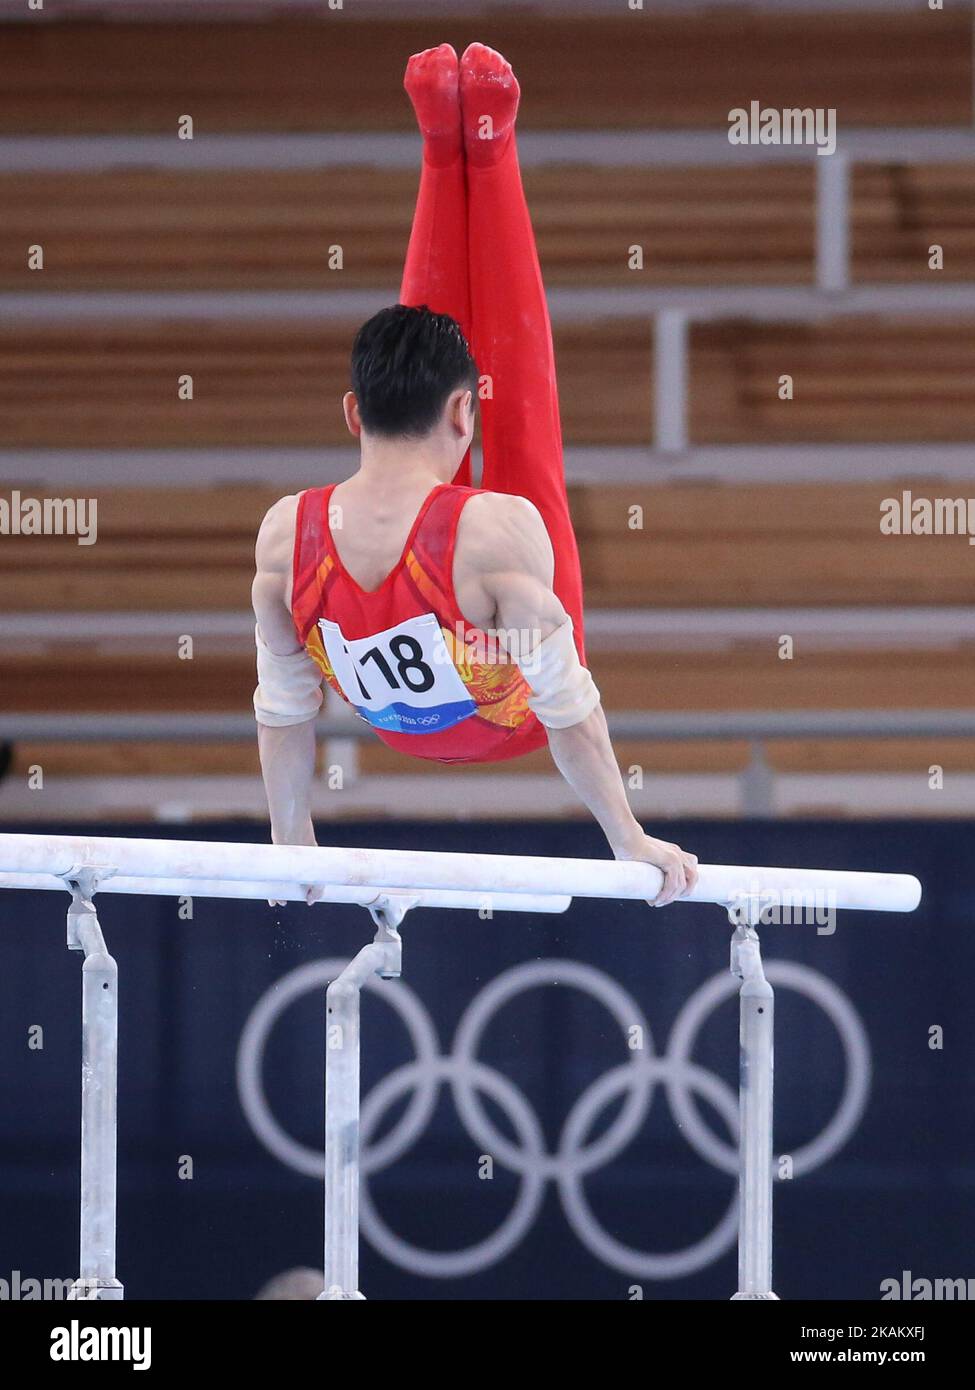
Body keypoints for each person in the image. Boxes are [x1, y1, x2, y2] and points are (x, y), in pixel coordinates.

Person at [252, 43, 698, 907]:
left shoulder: (284, 535)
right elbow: (566, 712)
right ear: (463, 416)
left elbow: (284, 705)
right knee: (524, 416)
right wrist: (625, 837)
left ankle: (445, 144)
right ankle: (479, 144)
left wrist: (289, 838)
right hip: (514, 721)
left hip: (402, 737)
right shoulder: (497, 534)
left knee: (521, 415)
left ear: (353, 413)